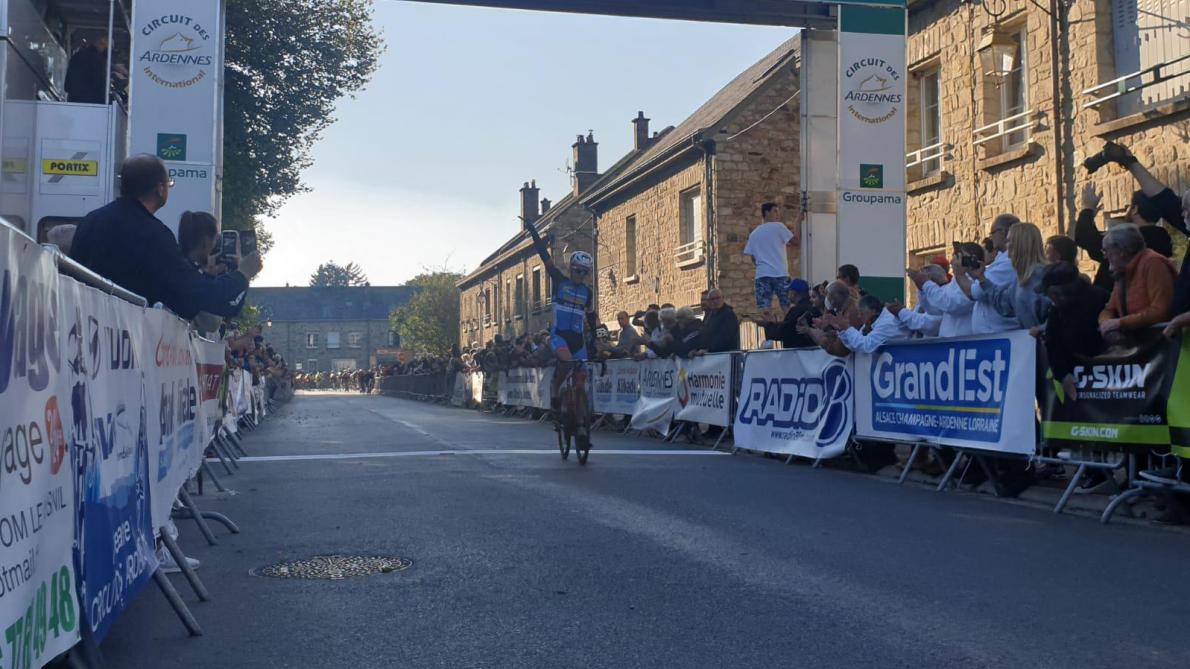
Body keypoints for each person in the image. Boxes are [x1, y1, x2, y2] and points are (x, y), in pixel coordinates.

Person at [70, 155, 261, 319]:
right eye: (169, 183)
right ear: (160, 189)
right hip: (126, 335)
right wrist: (242, 274)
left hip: (82, 324)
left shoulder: (90, 221)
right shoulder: (154, 235)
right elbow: (191, 294)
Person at [522, 217, 596, 413]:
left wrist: (595, 339)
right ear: (571, 269)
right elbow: (544, 256)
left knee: (582, 376)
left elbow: (591, 317)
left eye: (584, 272)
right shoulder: (560, 281)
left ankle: (579, 417)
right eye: (577, 270)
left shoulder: (587, 293)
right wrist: (533, 232)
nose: (580, 275)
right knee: (567, 362)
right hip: (559, 336)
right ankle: (556, 388)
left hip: (578, 340)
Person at [1040, 263, 1109, 401]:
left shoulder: (1100, 298)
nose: (1051, 299)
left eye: (1052, 295)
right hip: (1075, 376)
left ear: (1060, 294)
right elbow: (1052, 340)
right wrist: (1062, 374)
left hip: (1107, 373)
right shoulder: (1057, 308)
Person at [1098, 224, 1176, 344]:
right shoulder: (1123, 271)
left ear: (1121, 251)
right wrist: (1107, 325)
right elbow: (1109, 309)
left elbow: (1160, 311)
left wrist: (1120, 323)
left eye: (1106, 250)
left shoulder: (1153, 263)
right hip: (1138, 342)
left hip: (1160, 342)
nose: (1105, 256)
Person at [966, 222, 1051, 329]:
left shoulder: (1045, 277)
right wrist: (982, 278)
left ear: (1020, 244)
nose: (1007, 245)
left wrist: (1041, 330)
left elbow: (1061, 315)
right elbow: (1004, 304)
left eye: (1009, 241)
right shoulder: (1020, 280)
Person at [954, 214, 1021, 334]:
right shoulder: (1001, 259)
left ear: (1002, 232)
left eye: (992, 233)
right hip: (994, 335)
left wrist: (959, 274)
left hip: (1001, 335)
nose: (990, 238)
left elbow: (975, 292)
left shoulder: (1008, 262)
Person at [908, 242, 981, 338]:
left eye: (956, 257)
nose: (951, 262)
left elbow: (951, 305)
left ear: (968, 260)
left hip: (962, 341)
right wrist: (921, 288)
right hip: (948, 342)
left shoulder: (973, 282)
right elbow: (934, 309)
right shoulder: (954, 282)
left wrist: (926, 284)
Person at [743, 202, 801, 313]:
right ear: (767, 213)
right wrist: (797, 221)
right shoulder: (778, 227)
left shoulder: (754, 234)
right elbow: (796, 242)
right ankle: (789, 324)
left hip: (762, 275)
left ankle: (770, 324)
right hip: (780, 274)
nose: (778, 214)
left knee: (764, 310)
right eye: (775, 211)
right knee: (787, 307)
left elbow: (753, 258)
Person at [831, 294, 910, 354]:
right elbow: (853, 345)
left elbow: (866, 346)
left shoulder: (887, 323)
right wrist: (842, 330)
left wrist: (847, 328)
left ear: (873, 311)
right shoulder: (870, 322)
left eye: (861, 313)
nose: (859, 316)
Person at [760, 279, 818, 348]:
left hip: (799, 351)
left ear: (793, 293)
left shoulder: (798, 310)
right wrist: (775, 324)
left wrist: (769, 324)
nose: (787, 294)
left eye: (788, 291)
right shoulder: (812, 307)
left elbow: (784, 332)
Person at [894, 264, 946, 337]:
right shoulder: (925, 296)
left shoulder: (944, 297)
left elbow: (927, 322)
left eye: (922, 276)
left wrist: (901, 312)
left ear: (929, 277)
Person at [64, 34, 109, 104]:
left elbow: (67, 85)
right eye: (105, 46)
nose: (104, 50)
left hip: (73, 101)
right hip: (92, 103)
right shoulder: (99, 60)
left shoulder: (77, 56)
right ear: (101, 43)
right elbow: (99, 85)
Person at [696, 288, 740, 354]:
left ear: (723, 298)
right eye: (712, 299)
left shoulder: (728, 314)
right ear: (709, 301)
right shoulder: (710, 316)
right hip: (712, 355)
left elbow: (725, 338)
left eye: (718, 298)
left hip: (725, 355)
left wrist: (709, 350)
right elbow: (705, 335)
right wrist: (697, 349)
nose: (715, 301)